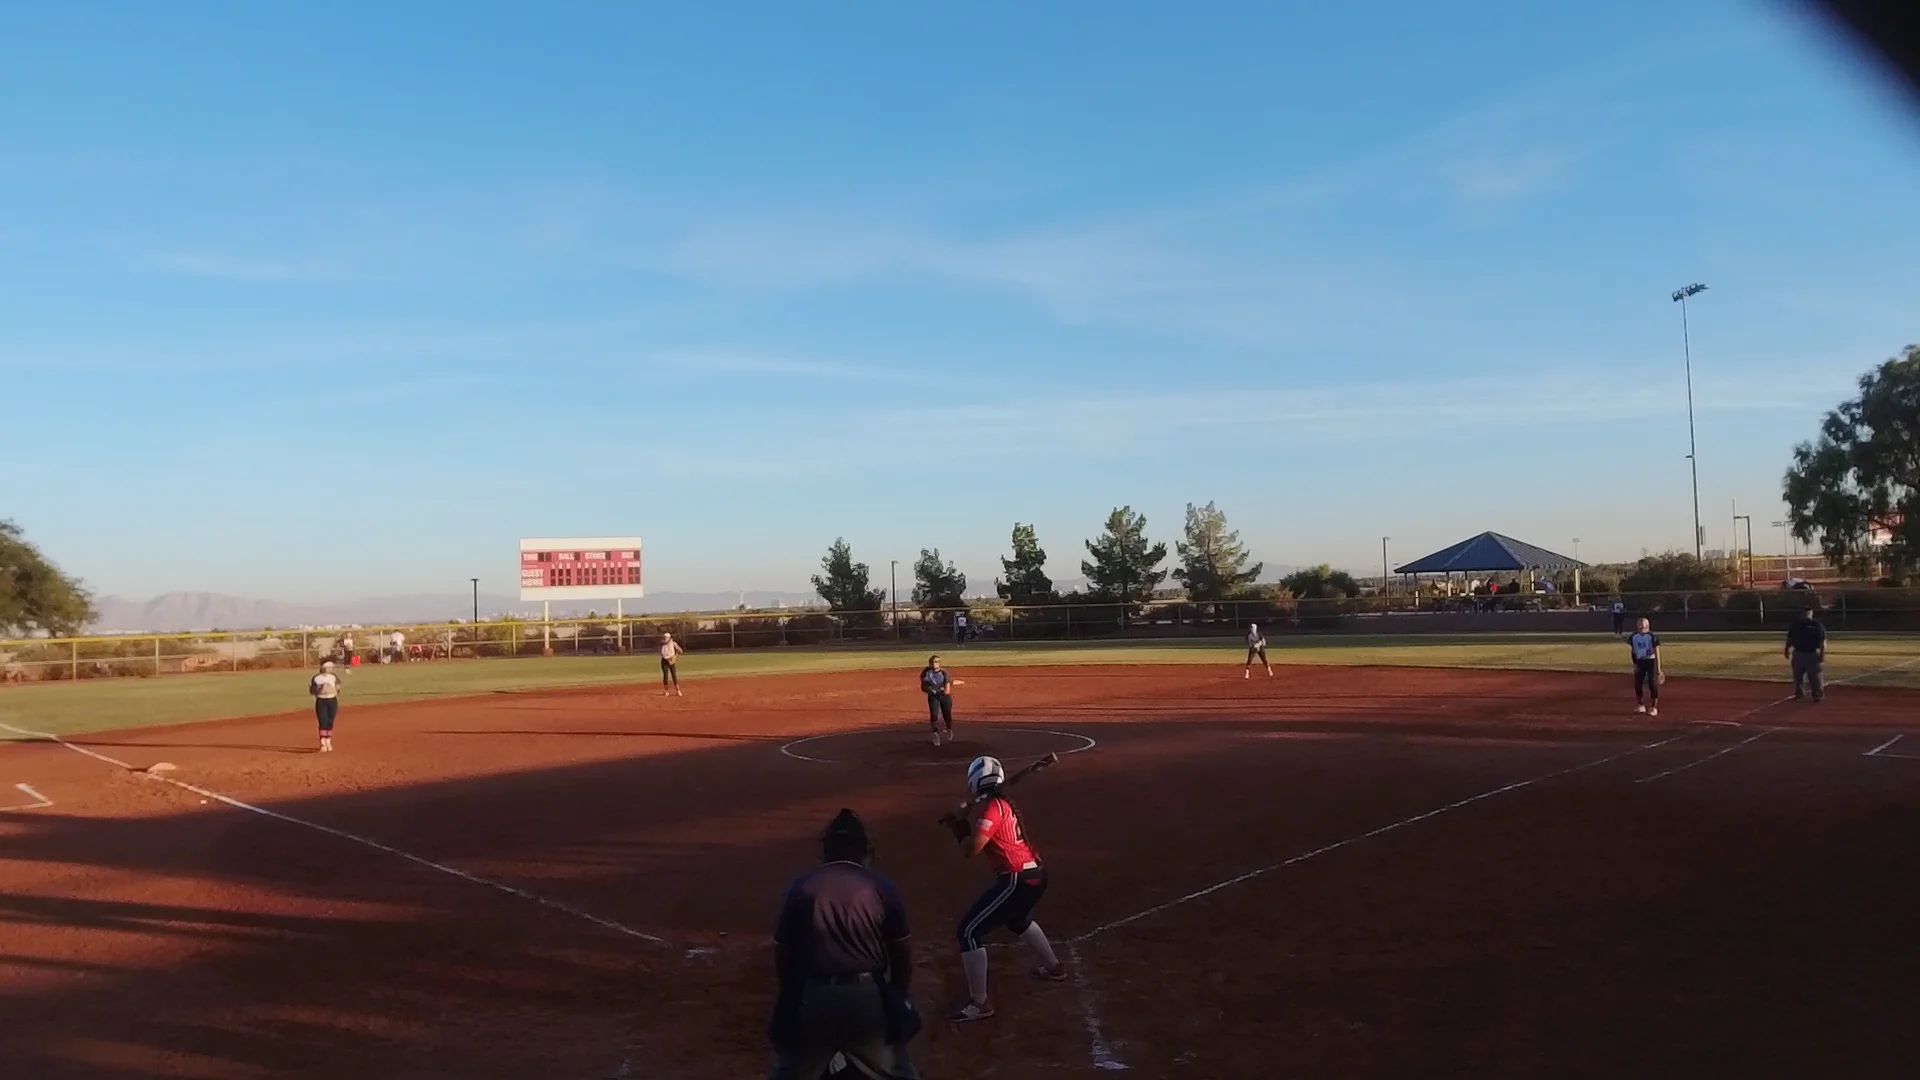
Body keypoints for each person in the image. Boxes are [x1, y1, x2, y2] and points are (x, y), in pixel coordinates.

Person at [768, 809, 921, 1080]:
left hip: (813, 999)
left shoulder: (801, 887)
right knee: (899, 1070)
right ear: (864, 850)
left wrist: (794, 995)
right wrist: (894, 997)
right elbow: (902, 954)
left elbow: (783, 953)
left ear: (826, 850)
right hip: (867, 999)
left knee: (788, 1071)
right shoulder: (881, 886)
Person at [946, 755, 1066, 1024]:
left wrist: (959, 825)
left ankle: (980, 1002)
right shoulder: (1000, 804)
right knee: (1018, 920)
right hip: (1033, 875)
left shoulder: (992, 810)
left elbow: (971, 849)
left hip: (1017, 879)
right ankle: (1054, 967)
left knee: (968, 931)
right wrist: (962, 819)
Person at [1786, 606, 1827, 702]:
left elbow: (1822, 642)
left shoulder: (1817, 625)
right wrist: (1786, 649)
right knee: (1797, 676)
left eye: (1808, 613)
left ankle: (1818, 695)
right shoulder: (1796, 625)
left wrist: (1822, 654)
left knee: (1815, 677)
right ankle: (1799, 694)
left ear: (1811, 614)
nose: (1806, 615)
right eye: (1804, 613)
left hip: (1812, 653)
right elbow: (1790, 638)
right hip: (1798, 653)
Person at [920, 656, 964, 746]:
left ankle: (949, 728)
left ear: (939, 663)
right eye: (932, 662)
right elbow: (923, 686)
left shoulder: (944, 673)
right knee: (934, 714)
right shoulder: (926, 672)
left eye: (936, 662)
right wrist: (931, 690)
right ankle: (935, 734)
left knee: (947, 714)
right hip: (933, 696)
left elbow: (947, 690)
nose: (934, 664)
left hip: (944, 696)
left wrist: (942, 690)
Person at [1628, 617, 1662, 717]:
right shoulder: (1634, 637)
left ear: (1647, 626)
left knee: (1652, 683)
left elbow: (1656, 652)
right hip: (1640, 661)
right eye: (1639, 624)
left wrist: (1658, 668)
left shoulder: (1651, 637)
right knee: (1638, 683)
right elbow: (1633, 651)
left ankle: (1653, 707)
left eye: (1642, 625)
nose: (1640, 627)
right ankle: (1640, 705)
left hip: (1650, 660)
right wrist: (1635, 664)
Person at [308, 659, 341, 752]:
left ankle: (328, 741)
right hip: (321, 700)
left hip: (332, 700)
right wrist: (318, 689)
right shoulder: (317, 678)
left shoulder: (333, 677)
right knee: (323, 721)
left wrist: (335, 689)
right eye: (328, 667)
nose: (329, 669)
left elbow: (338, 687)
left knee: (330, 721)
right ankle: (323, 742)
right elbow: (312, 691)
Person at [658, 632, 685, 696]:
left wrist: (675, 657)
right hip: (664, 661)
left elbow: (680, 651)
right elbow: (663, 646)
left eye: (666, 637)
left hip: (671, 660)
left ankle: (678, 690)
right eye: (664, 637)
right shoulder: (662, 643)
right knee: (665, 676)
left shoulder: (673, 643)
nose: (665, 639)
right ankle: (666, 691)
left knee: (674, 676)